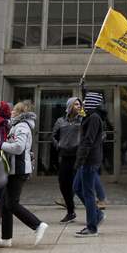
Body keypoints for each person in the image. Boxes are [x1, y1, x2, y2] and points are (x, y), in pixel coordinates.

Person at [0, 101, 48, 248]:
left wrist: (1, 144)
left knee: (11, 203)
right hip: (15, 169)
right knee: (5, 204)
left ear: (21, 113)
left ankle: (38, 225)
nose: (11, 112)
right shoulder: (17, 125)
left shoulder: (22, 126)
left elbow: (18, 148)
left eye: (14, 110)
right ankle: (6, 238)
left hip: (19, 170)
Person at [74, 92, 106, 237]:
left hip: (89, 160)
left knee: (88, 193)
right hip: (86, 159)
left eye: (86, 101)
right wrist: (83, 85)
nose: (83, 103)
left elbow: (88, 140)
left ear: (92, 103)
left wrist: (80, 160)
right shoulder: (88, 116)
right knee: (77, 187)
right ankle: (97, 214)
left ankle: (92, 227)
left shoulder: (94, 118)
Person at [52, 97, 82, 223]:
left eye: (79, 104)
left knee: (77, 185)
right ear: (69, 107)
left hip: (78, 156)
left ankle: (95, 212)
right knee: (63, 184)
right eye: (76, 104)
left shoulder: (83, 120)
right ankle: (70, 212)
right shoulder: (60, 121)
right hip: (64, 155)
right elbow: (53, 135)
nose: (78, 106)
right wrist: (58, 145)